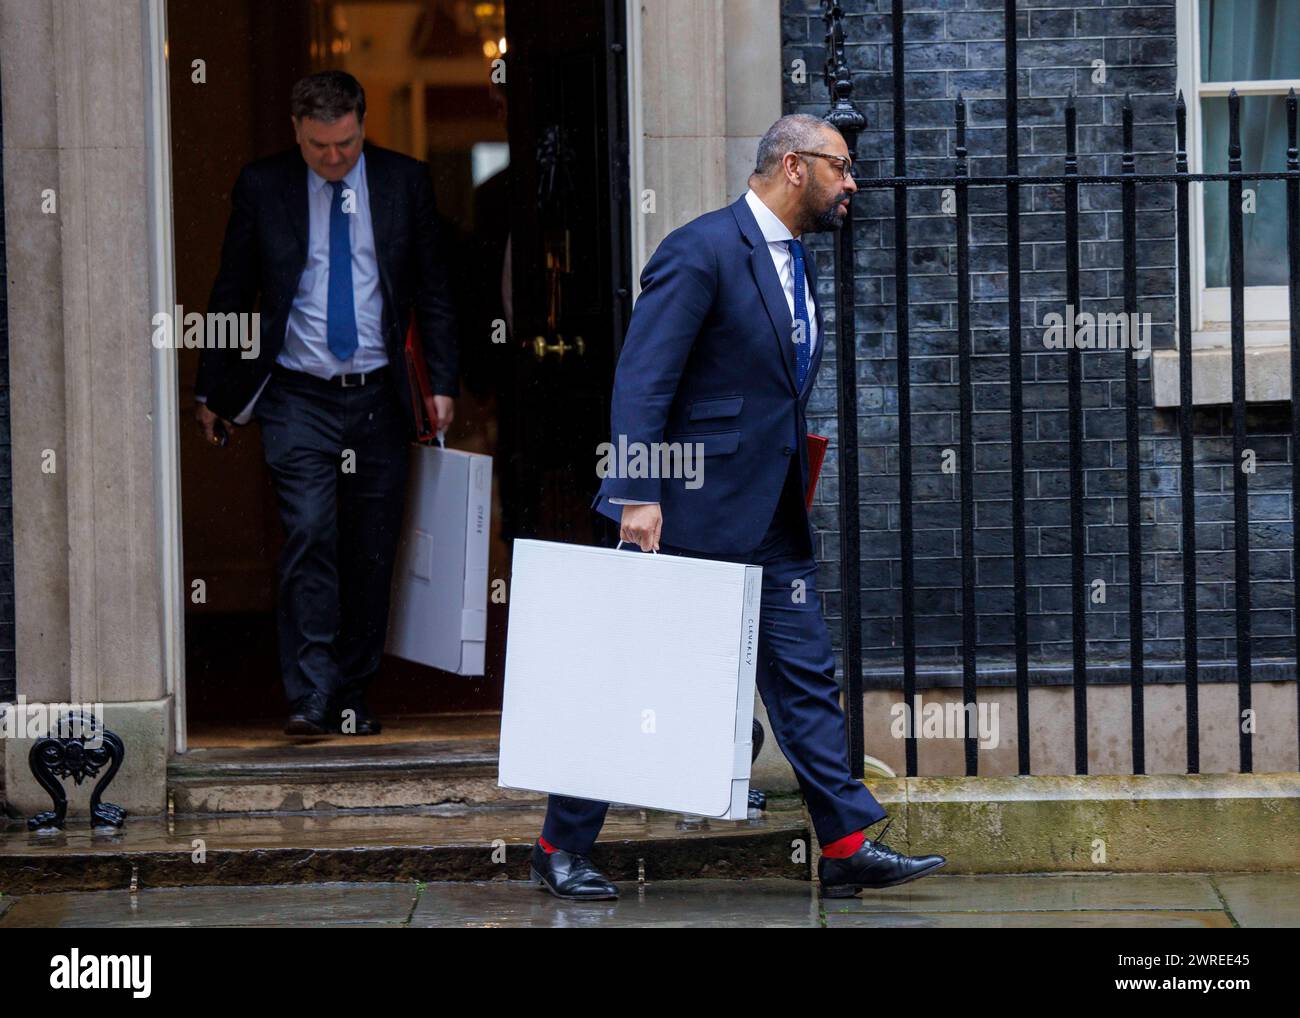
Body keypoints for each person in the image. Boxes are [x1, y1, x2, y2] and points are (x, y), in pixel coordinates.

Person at [530, 114, 946, 900]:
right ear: (794, 166)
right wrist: (638, 495)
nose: (852, 183)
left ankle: (847, 843)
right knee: (634, 679)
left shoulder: (796, 262)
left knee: (805, 677)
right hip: (684, 509)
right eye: (841, 167)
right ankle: (559, 845)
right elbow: (643, 380)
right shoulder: (702, 249)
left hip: (772, 513)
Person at [194, 70, 458, 736]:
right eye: (319, 147)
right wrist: (213, 389)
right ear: (296, 132)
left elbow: (434, 291)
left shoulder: (404, 183)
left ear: (361, 125)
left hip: (378, 395)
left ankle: (351, 694)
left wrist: (443, 385)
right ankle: (310, 694)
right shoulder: (264, 186)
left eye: (344, 144)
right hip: (296, 393)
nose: (333, 158)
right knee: (310, 534)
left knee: (371, 548)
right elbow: (231, 291)